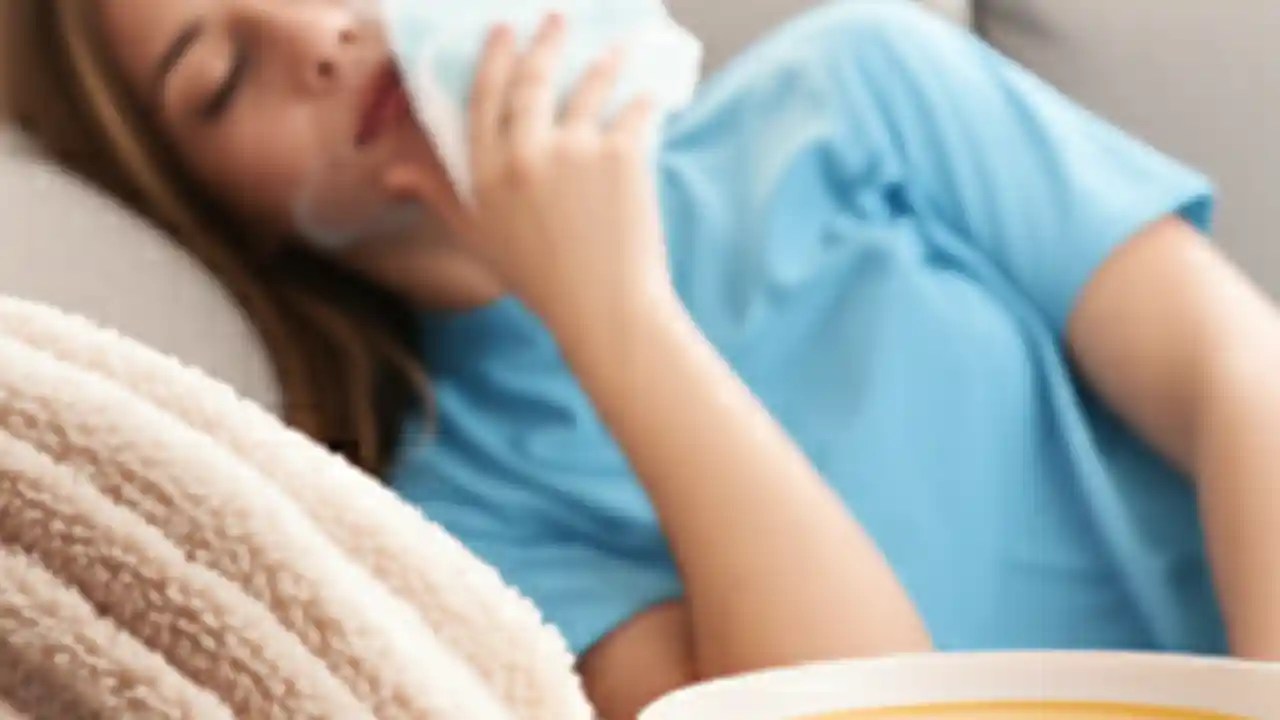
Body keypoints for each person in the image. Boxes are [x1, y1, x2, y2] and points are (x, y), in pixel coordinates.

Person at [6, 1, 1280, 717]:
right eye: (221, 78)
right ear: (232, 220)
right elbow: (850, 709)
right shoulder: (455, 524)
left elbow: (1236, 378)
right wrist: (610, 307)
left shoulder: (858, 85)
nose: (312, 36)